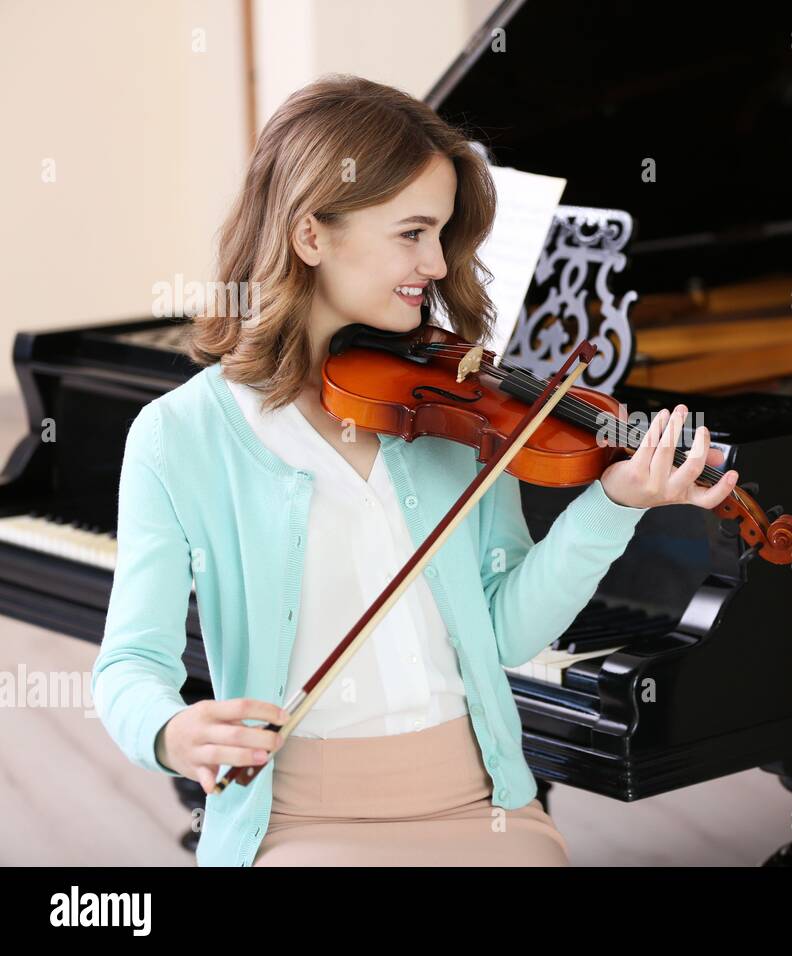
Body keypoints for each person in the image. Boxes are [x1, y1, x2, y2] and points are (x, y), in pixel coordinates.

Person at [91, 74, 738, 867]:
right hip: (298, 820)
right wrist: (168, 729)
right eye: (413, 232)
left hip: (480, 799)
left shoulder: (457, 410)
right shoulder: (180, 437)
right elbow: (130, 663)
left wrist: (615, 502)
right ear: (311, 235)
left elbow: (506, 628)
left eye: (444, 236)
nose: (436, 262)